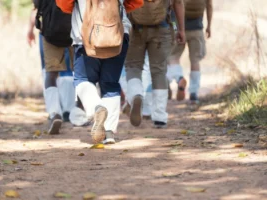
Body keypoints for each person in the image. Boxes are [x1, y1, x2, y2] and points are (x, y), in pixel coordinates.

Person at [57, 0, 143, 144]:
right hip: (118, 34)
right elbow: (136, 2)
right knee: (111, 83)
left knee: (82, 80)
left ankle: (96, 108)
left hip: (85, 36)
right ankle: (109, 132)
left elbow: (63, 5)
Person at [125, 0, 186, 128]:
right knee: (159, 71)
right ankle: (159, 116)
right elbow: (178, 3)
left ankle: (136, 95)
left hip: (135, 28)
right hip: (161, 27)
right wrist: (181, 29)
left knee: (133, 67)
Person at [27, 0, 75, 134]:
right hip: (73, 29)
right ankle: (75, 110)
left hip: (50, 31)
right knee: (76, 71)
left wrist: (30, 29)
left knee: (51, 73)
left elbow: (36, 9)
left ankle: (54, 113)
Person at [167, 0, 213, 104]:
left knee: (172, 57)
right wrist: (209, 26)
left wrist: (172, 26)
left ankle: (178, 79)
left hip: (177, 29)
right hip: (197, 28)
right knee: (195, 61)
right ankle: (194, 94)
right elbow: (209, 5)